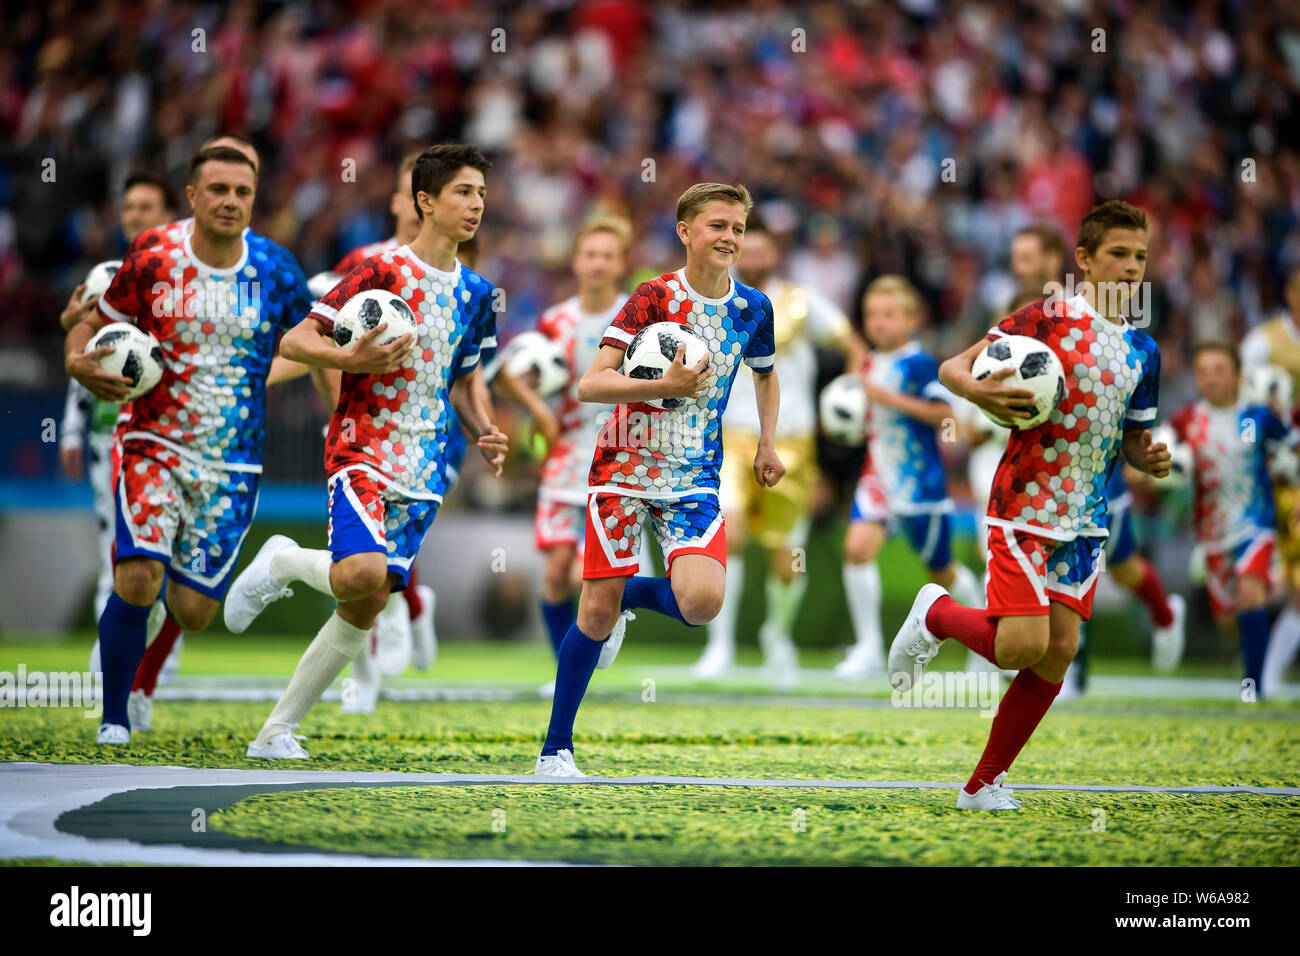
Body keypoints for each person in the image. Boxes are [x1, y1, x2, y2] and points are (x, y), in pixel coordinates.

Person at [223, 143, 508, 759]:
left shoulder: (480, 294)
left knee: (369, 598)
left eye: (482, 193)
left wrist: (484, 430)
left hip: (427, 467)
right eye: (463, 191)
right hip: (363, 447)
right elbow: (298, 340)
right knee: (361, 574)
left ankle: (275, 732)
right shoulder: (379, 272)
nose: (476, 204)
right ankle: (280, 563)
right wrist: (349, 357)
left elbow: (460, 381)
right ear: (424, 201)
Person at [887, 200, 1170, 809]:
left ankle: (982, 785)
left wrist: (1151, 461)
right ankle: (936, 614)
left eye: (1139, 256)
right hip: (1023, 505)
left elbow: (1133, 440)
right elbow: (951, 367)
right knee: (1020, 646)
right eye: (1117, 254)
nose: (1130, 267)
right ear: (1085, 260)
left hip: (1087, 518)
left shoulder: (1144, 351)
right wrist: (980, 390)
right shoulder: (1047, 317)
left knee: (1060, 648)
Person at [64, 145, 324, 745]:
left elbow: (307, 340)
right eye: (219, 190)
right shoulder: (152, 256)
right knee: (135, 577)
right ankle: (115, 717)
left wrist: (344, 362)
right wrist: (79, 362)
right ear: (193, 195)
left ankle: (172, 602)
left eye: (243, 191)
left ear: (254, 198)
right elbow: (92, 319)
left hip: (232, 460)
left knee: (194, 611)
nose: (231, 201)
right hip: (152, 440)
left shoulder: (278, 270)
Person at [535, 182, 782, 778]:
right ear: (686, 232)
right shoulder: (652, 297)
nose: (729, 237)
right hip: (622, 468)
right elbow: (592, 383)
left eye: (738, 228)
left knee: (702, 604)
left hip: (694, 476)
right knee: (593, 610)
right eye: (717, 226)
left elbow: (766, 376)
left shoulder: (754, 308)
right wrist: (662, 387)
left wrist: (767, 443)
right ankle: (555, 750)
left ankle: (627, 598)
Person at [693, 217, 866, 686]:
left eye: (766, 249)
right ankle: (720, 646)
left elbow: (852, 345)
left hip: (792, 442)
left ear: (776, 254)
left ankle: (778, 633)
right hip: (729, 438)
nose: (757, 257)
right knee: (727, 531)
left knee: (787, 556)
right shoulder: (715, 301)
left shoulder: (801, 302)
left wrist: (850, 391)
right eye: (751, 248)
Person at [493, 216, 632, 665]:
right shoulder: (556, 320)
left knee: (580, 575)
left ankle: (617, 610)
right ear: (576, 261)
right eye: (591, 254)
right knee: (553, 576)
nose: (598, 263)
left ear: (621, 263)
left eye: (607, 256)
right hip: (567, 453)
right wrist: (537, 409)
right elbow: (506, 374)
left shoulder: (639, 314)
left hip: (621, 458)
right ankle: (564, 672)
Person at [839, 276, 984, 678]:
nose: (879, 323)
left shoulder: (919, 364)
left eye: (889, 315)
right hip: (876, 480)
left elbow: (944, 416)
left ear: (910, 319)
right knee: (857, 550)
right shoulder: (867, 363)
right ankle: (868, 646)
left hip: (920, 487)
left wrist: (886, 398)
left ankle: (984, 638)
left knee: (943, 572)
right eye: (872, 315)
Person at [59, 171, 177, 623]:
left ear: (169, 216)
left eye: (145, 207)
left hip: (174, 431)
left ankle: (158, 656)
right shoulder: (105, 278)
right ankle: (108, 650)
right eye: (128, 208)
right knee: (116, 541)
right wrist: (71, 428)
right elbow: (85, 354)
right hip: (111, 431)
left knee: (171, 551)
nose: (134, 216)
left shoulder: (183, 278)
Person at [1168, 342, 1297, 696]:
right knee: (1229, 617)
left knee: (1249, 593)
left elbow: (1290, 447)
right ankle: (1276, 599)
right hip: (1212, 531)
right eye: (1204, 371)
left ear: (1238, 375)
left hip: (1256, 523)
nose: (1211, 378)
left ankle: (1252, 688)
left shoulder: (1256, 417)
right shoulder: (1187, 420)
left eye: (1219, 369)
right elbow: (1161, 454)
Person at [1241, 265, 1300, 693]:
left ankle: (1265, 677)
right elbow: (1244, 416)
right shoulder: (1263, 344)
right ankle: (1261, 676)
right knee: (1270, 581)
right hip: (1275, 477)